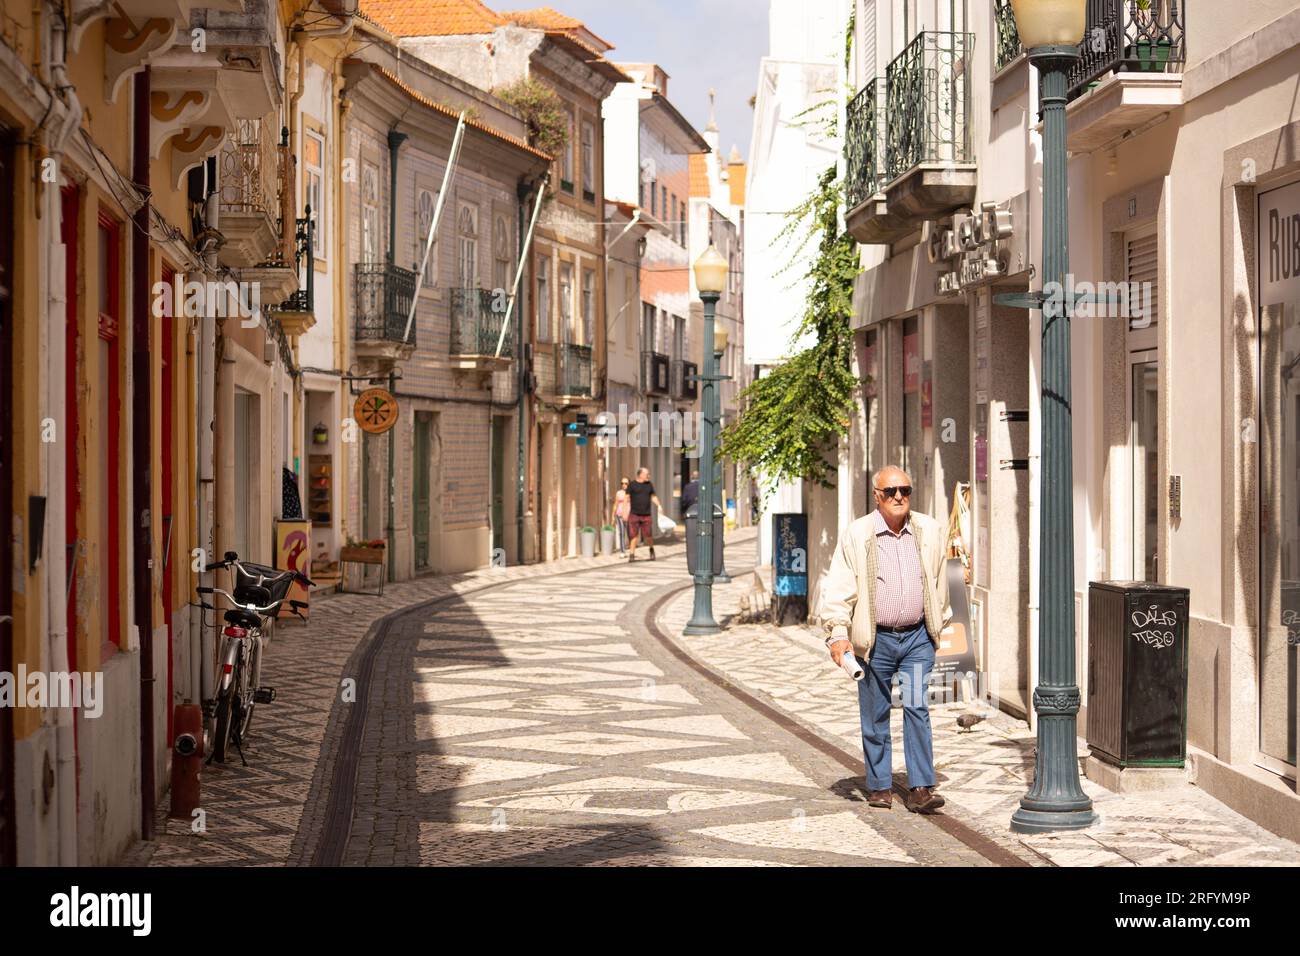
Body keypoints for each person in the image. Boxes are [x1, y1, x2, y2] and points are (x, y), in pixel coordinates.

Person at [817, 465, 952, 814]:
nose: (898, 497)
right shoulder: (858, 534)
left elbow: (940, 581)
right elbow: (840, 589)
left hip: (918, 637)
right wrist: (838, 633)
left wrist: (940, 622)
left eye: (904, 490)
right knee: (876, 713)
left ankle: (921, 786)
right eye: (890, 491)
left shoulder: (929, 530)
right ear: (877, 496)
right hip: (875, 640)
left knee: (917, 707)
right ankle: (879, 785)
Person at [625, 466, 663, 562]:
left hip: (646, 515)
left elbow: (653, 496)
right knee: (633, 535)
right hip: (634, 514)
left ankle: (651, 550)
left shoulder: (649, 485)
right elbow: (626, 498)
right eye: (647, 474)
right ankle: (632, 554)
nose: (649, 476)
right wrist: (625, 512)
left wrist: (659, 505)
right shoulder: (632, 485)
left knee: (648, 535)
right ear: (641, 475)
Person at [610, 476, 632, 552]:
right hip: (619, 515)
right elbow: (615, 504)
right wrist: (612, 516)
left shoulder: (632, 493)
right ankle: (623, 551)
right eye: (622, 483)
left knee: (630, 533)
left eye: (626, 483)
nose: (624, 485)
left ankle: (631, 549)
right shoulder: (619, 493)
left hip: (629, 515)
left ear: (629, 484)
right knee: (621, 532)